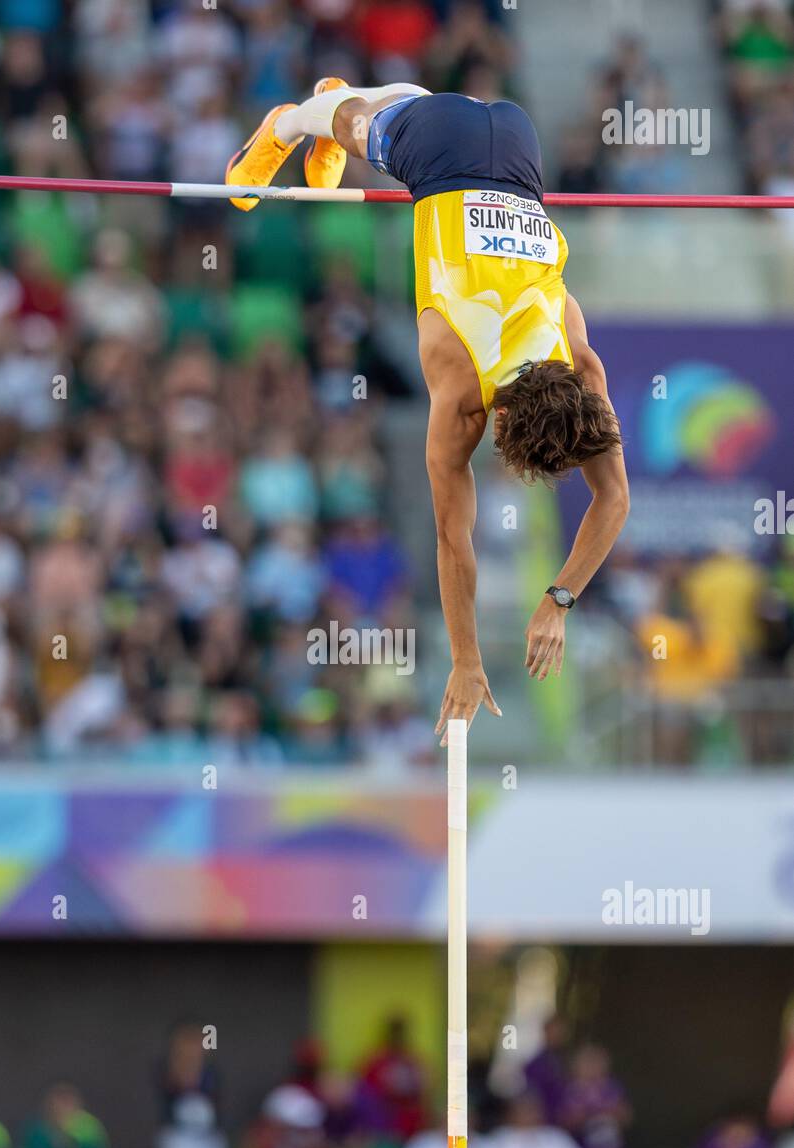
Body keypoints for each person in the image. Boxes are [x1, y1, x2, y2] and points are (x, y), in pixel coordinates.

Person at [227, 81, 629, 738]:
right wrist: (466, 660)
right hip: (439, 155)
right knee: (350, 120)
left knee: (414, 108)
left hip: (515, 141)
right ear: (498, 422)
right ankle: (298, 119)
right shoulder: (459, 391)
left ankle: (341, 109)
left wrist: (558, 601)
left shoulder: (578, 357)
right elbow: (452, 540)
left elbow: (611, 499)